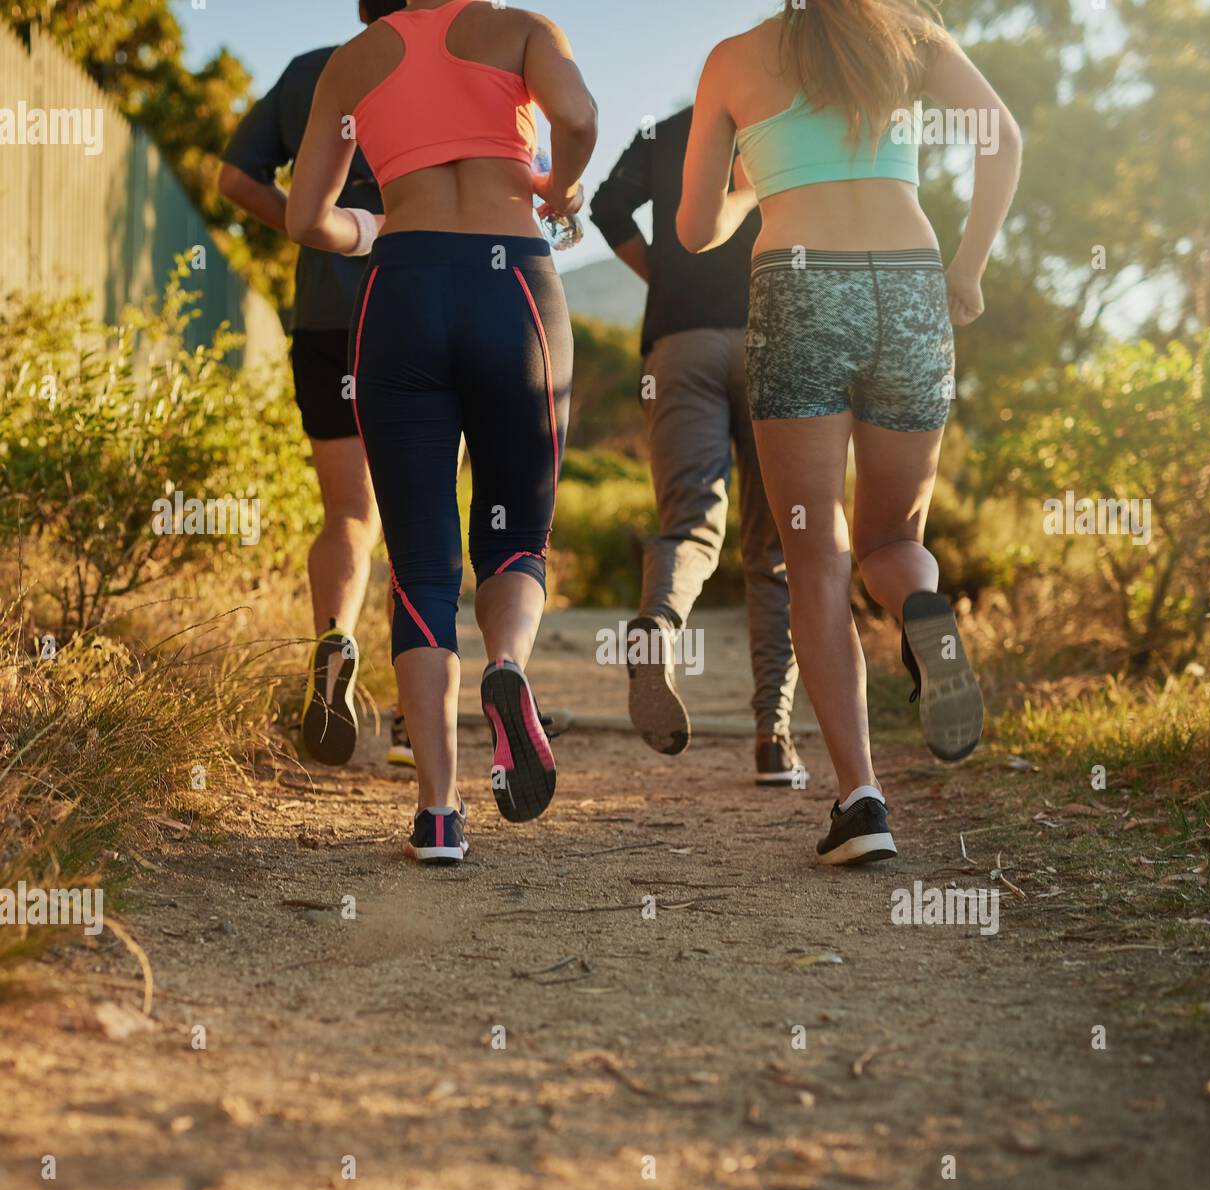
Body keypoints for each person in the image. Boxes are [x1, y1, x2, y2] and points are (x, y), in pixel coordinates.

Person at [678, 0, 1021, 864]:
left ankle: (861, 802)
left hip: (799, 286)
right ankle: (921, 610)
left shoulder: (733, 57)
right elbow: (1003, 139)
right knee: (892, 540)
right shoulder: (911, 35)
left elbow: (692, 229)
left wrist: (754, 184)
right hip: (910, 282)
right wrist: (968, 267)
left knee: (815, 552)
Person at [285, 0, 597, 864]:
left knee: (421, 561)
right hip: (516, 294)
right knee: (514, 534)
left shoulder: (354, 59)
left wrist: (374, 228)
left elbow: (304, 217)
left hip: (404, 292)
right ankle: (505, 667)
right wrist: (561, 185)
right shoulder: (524, 29)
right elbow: (577, 116)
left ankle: (436, 816)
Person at [219, 0, 418, 770]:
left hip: (326, 314)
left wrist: (315, 224)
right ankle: (410, 722)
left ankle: (334, 635)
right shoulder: (442, 65)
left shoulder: (312, 71)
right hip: (417, 305)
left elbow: (235, 177)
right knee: (420, 516)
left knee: (348, 513)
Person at [590, 109, 803, 786]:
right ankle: (773, 737)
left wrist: (668, 279)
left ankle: (658, 624)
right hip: (776, 341)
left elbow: (606, 205)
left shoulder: (668, 130)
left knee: (690, 523)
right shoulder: (793, 127)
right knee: (774, 552)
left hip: (679, 344)